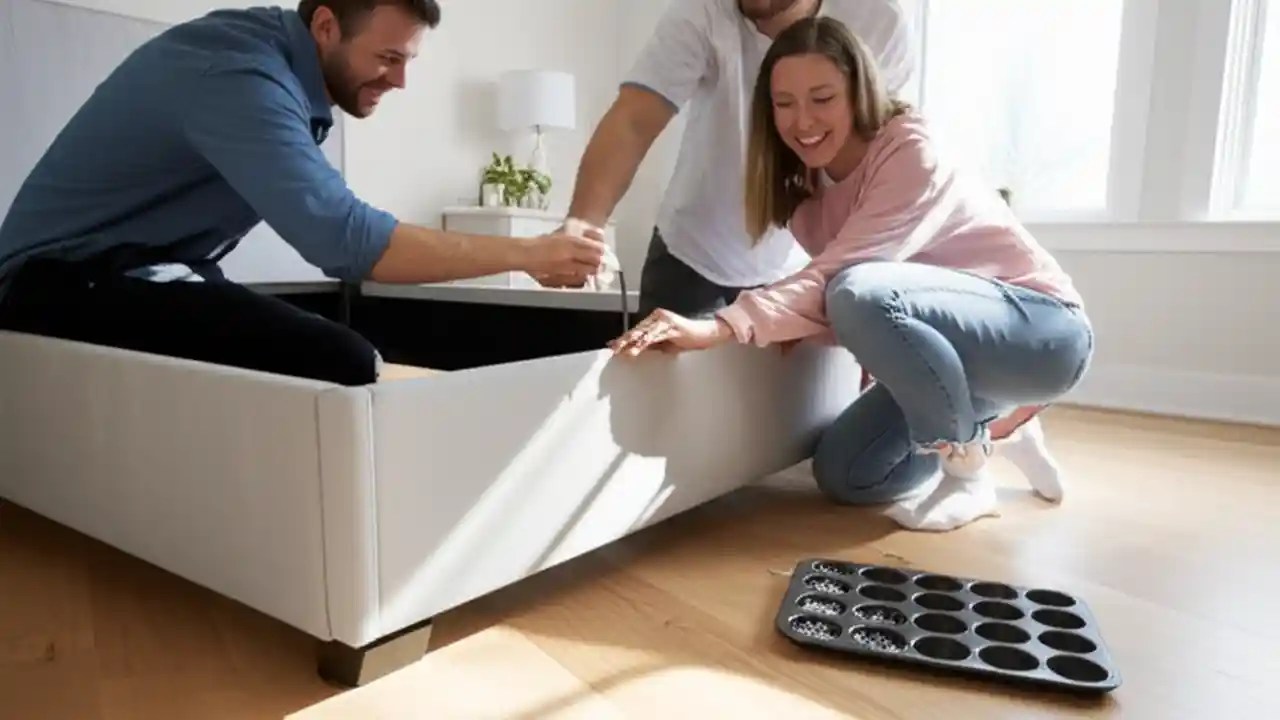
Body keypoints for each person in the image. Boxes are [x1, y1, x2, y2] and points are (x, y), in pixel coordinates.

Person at [609, 16, 1094, 532]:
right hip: (957, 358)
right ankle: (992, 426)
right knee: (849, 475)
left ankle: (967, 473)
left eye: (822, 98)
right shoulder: (804, 188)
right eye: (784, 103)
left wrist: (720, 326)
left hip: (1043, 334)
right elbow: (850, 292)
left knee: (857, 290)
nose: (802, 120)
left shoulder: (911, 151)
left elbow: (849, 279)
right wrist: (797, 326)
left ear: (859, 94)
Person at [0, 1, 604, 386]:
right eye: (388, 58)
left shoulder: (273, 61)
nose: (400, 80)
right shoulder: (241, 76)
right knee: (341, 358)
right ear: (325, 26)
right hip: (51, 281)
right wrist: (529, 253)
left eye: (409, 60)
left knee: (328, 347)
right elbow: (344, 240)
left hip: (140, 269)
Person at [551, 0, 916, 318]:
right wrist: (584, 222)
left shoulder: (879, 21)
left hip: (799, 265)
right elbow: (633, 120)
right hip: (691, 254)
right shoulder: (701, 12)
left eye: (821, 98)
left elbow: (873, 152)